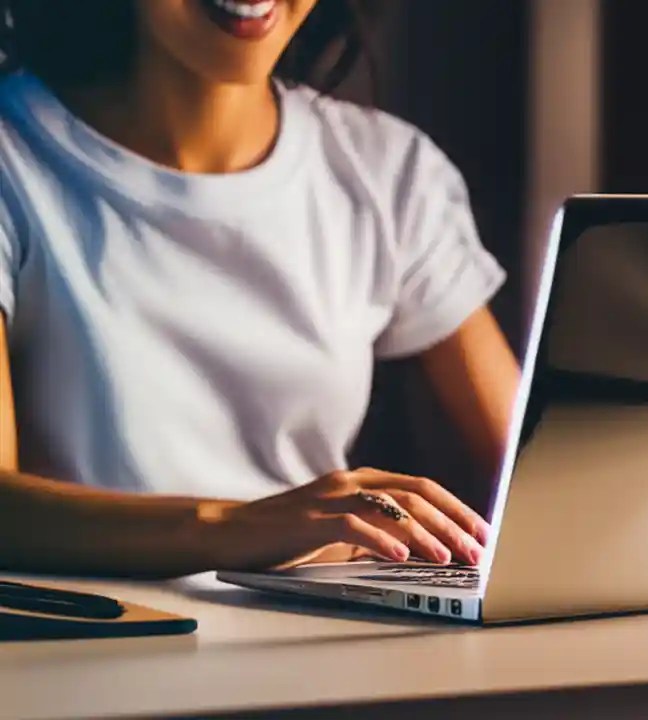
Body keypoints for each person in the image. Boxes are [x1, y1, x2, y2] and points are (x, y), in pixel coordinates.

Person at [0, 0, 521, 578]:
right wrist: (233, 527)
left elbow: (538, 468)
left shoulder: (385, 171)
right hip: (92, 640)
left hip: (313, 637)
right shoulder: (16, 158)